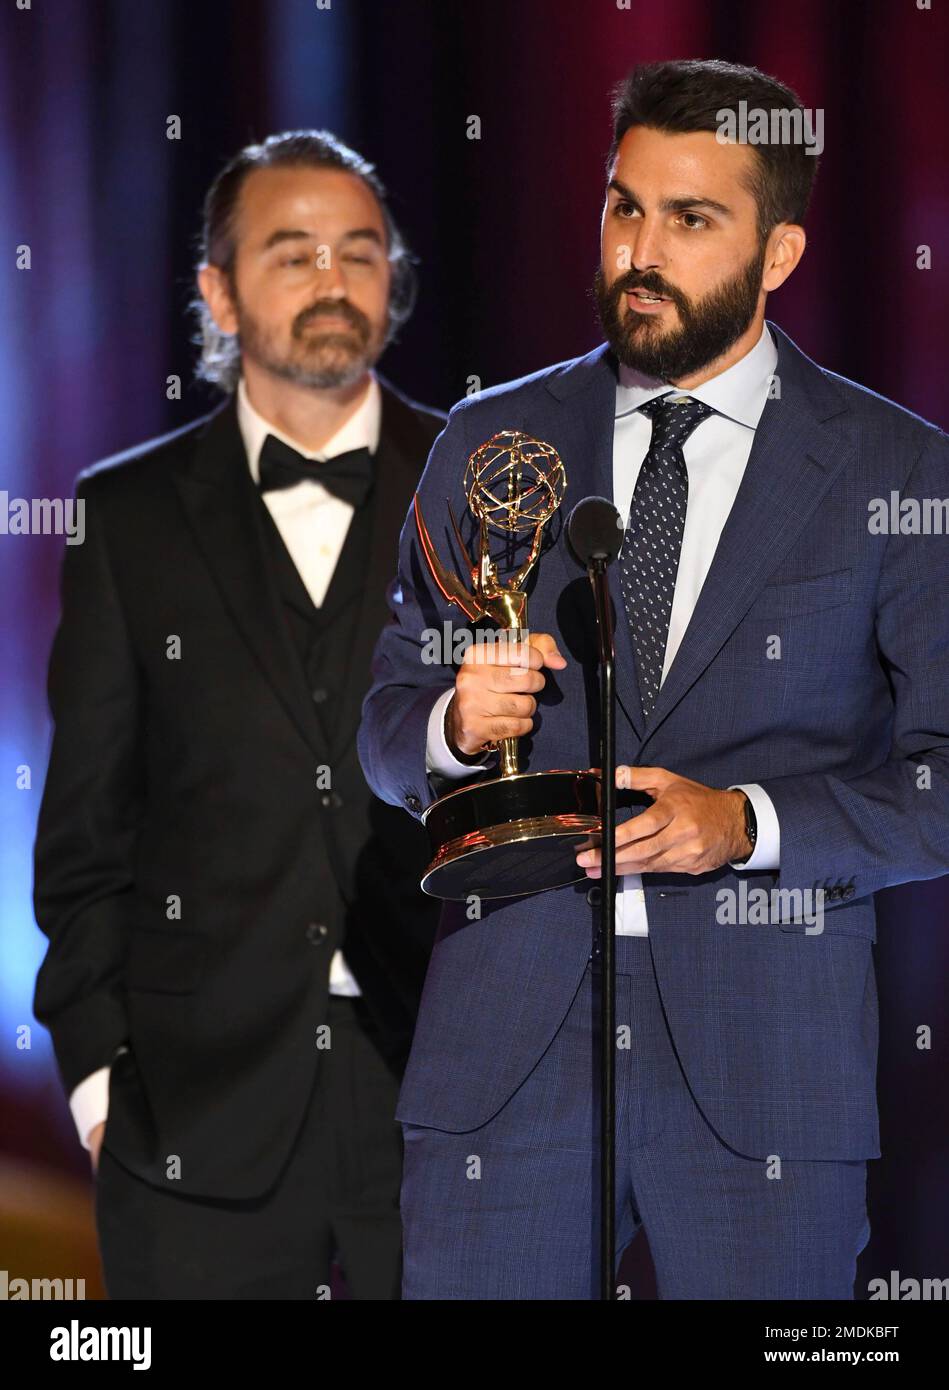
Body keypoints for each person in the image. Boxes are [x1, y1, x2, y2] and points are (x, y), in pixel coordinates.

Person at [358, 60, 949, 1299]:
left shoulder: (895, 469)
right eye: (625, 206)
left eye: (691, 219)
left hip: (764, 1065)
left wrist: (746, 825)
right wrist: (456, 730)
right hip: (504, 1054)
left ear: (778, 252)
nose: (642, 247)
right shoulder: (493, 444)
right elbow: (382, 724)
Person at [34, 130, 443, 1299]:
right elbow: (84, 840)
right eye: (292, 251)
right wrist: (99, 1080)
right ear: (216, 288)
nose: (331, 280)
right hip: (188, 1108)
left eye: (359, 253)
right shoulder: (126, 515)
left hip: (449, 1102)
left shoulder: (481, 484)